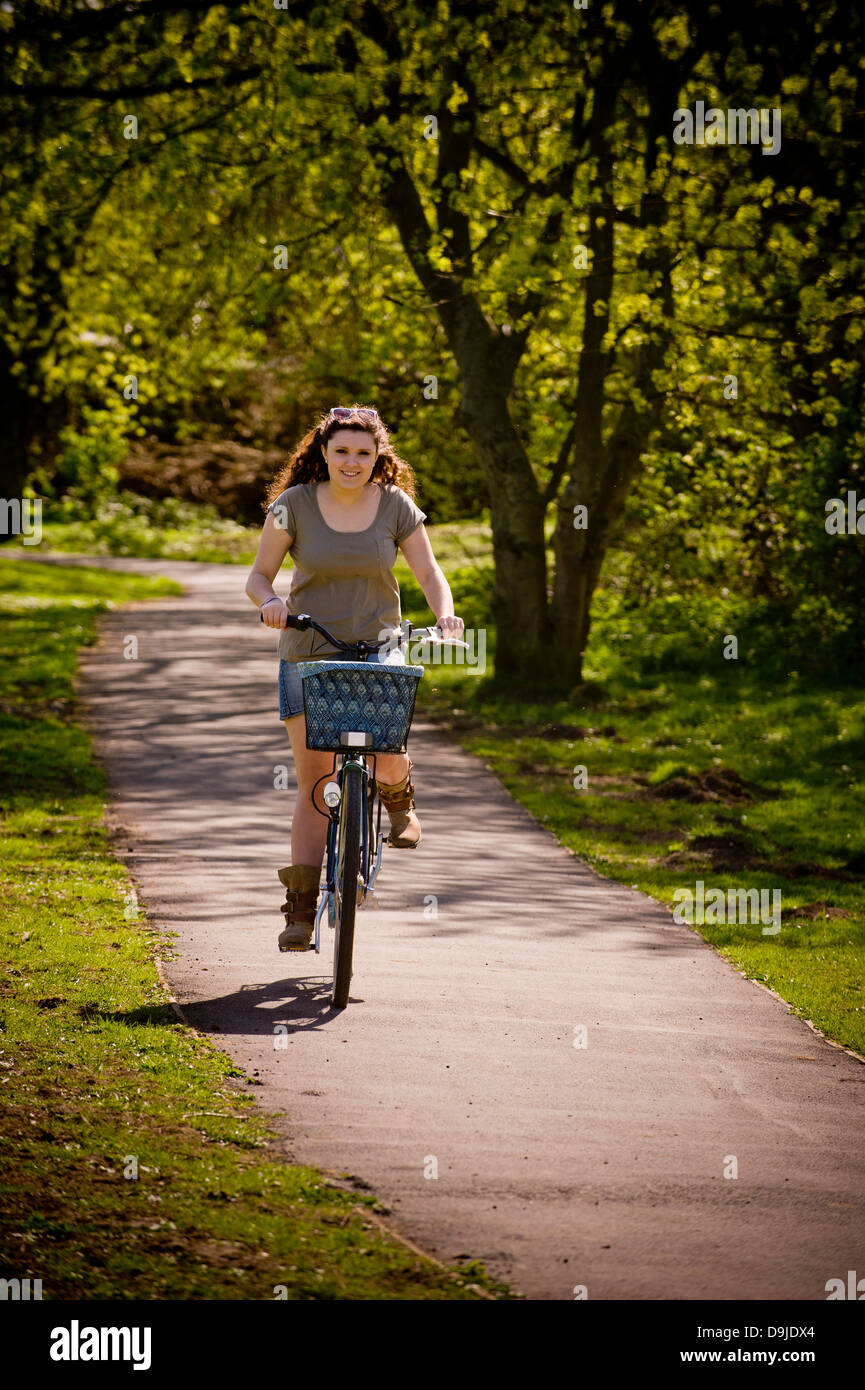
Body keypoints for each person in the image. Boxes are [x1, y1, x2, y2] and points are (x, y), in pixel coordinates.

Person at [246, 405, 465, 953]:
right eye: (341, 450)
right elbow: (258, 575)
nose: (352, 461)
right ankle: (299, 914)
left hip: (379, 647)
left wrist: (445, 615)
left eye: (363, 453)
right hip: (307, 652)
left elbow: (429, 573)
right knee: (317, 783)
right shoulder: (291, 506)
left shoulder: (396, 506)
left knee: (387, 748)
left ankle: (398, 796)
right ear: (322, 452)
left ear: (378, 458)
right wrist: (270, 601)